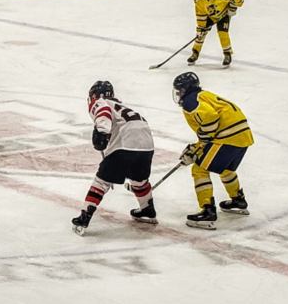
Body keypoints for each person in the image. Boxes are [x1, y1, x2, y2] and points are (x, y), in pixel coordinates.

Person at [71, 81, 157, 236]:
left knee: (101, 182)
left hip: (125, 145)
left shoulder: (100, 101)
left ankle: (85, 216)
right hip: (147, 146)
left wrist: (102, 131)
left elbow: (102, 111)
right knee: (139, 180)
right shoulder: (122, 106)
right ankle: (147, 209)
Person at [173, 72, 253, 230]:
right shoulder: (205, 95)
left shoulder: (190, 100)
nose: (178, 94)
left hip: (227, 138)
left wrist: (198, 150)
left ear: (186, 89)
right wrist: (197, 148)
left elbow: (210, 119)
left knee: (199, 169)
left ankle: (207, 211)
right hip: (242, 136)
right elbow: (209, 132)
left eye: (180, 90)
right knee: (226, 169)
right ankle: (237, 200)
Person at [188, 0, 244, 67]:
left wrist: (233, 7)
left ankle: (227, 54)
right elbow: (200, 11)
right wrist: (202, 26)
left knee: (223, 34)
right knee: (200, 34)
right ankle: (195, 53)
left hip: (223, 15)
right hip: (210, 16)